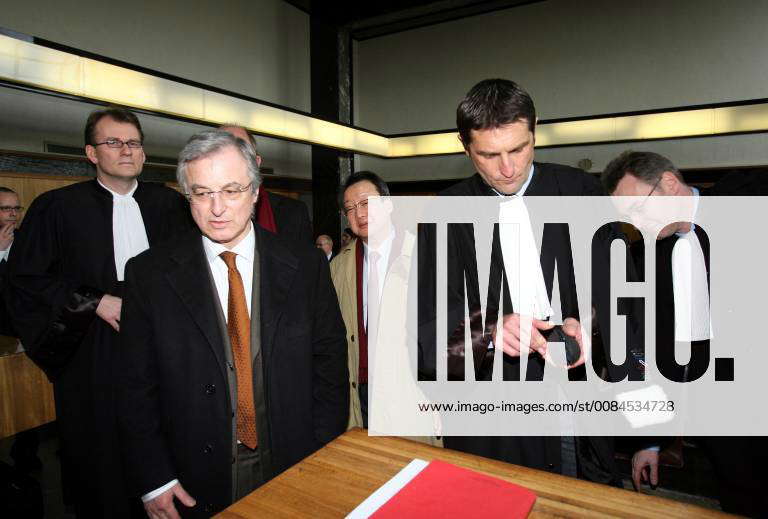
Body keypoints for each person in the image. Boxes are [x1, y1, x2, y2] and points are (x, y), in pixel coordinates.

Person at [118, 130, 348, 518]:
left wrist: (321, 454)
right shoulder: (149, 274)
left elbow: (328, 365)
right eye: (202, 193)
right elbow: (134, 386)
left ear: (256, 192)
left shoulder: (304, 265)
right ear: (187, 196)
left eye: (231, 190)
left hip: (293, 462)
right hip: (191, 474)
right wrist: (154, 477)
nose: (217, 208)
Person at [418, 78, 621, 484]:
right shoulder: (445, 214)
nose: (507, 169)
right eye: (489, 155)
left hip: (575, 391)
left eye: (519, 149)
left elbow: (618, 285)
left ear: (535, 130)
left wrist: (590, 317)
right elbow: (430, 321)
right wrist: (491, 330)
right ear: (464, 146)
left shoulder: (582, 192)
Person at [4, 107, 192, 517]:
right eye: (114, 142)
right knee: (102, 460)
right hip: (92, 350)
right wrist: (94, 301)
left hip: (162, 349)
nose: (126, 150)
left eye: (134, 143)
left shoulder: (172, 206)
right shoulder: (56, 208)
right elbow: (25, 279)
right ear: (91, 153)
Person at [602, 150, 768, 517]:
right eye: (627, 217)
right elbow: (646, 351)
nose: (636, 223)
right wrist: (650, 441)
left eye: (638, 208)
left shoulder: (750, 198)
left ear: (669, 183)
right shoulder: (644, 261)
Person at [219, 125, 312, 244]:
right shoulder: (193, 214)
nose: (232, 162)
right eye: (222, 154)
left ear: (256, 163)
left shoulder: (294, 213)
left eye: (242, 153)